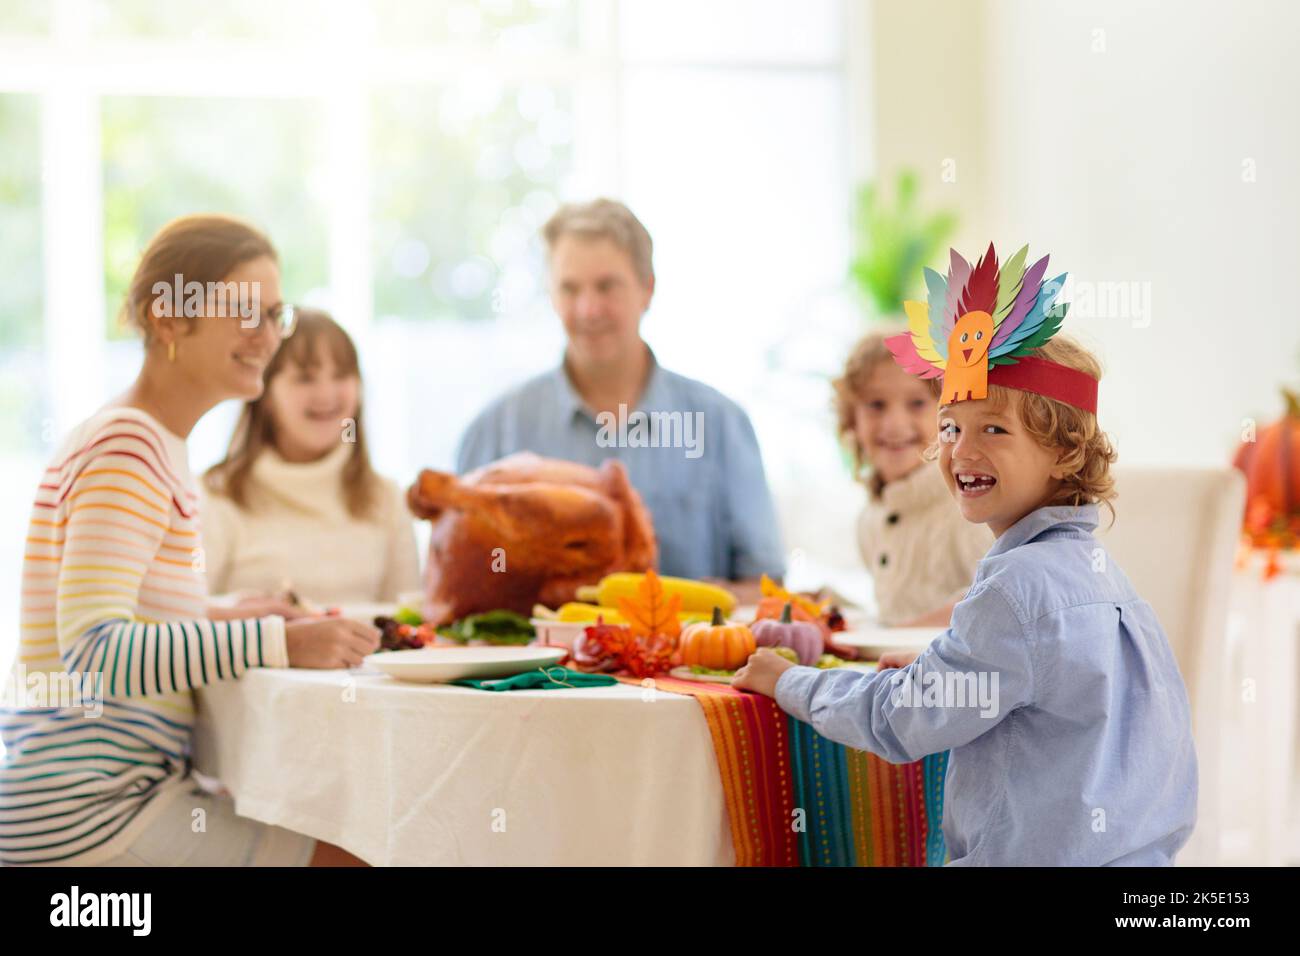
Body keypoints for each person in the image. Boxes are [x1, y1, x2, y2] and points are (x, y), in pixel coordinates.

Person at [735, 246, 1196, 865]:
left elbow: (902, 722)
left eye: (994, 430)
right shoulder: (1105, 579)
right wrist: (942, 663)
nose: (961, 450)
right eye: (951, 427)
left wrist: (790, 681)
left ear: (1063, 453)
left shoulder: (1013, 588)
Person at [0, 214, 379, 866]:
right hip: (88, 815)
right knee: (363, 855)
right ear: (169, 318)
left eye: (274, 315)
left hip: (94, 799)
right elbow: (95, 651)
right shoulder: (130, 445)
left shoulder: (148, 442)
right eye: (245, 314)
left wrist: (227, 615)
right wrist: (280, 641)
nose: (268, 338)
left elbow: (124, 615)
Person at [455, 198, 784, 591]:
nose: (589, 309)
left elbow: (764, 588)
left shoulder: (720, 424)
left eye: (607, 286)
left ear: (647, 290)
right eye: (570, 288)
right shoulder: (495, 432)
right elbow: (462, 581)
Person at [202, 308, 419, 606]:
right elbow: (184, 617)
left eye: (341, 375)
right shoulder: (217, 495)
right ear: (264, 393)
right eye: (305, 378)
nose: (326, 393)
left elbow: (409, 624)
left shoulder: (386, 498)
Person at [833, 331, 991, 626]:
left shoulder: (970, 507)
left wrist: (900, 636)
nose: (894, 424)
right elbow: (895, 616)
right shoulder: (871, 519)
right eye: (876, 405)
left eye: (917, 403)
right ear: (851, 419)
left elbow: (997, 598)